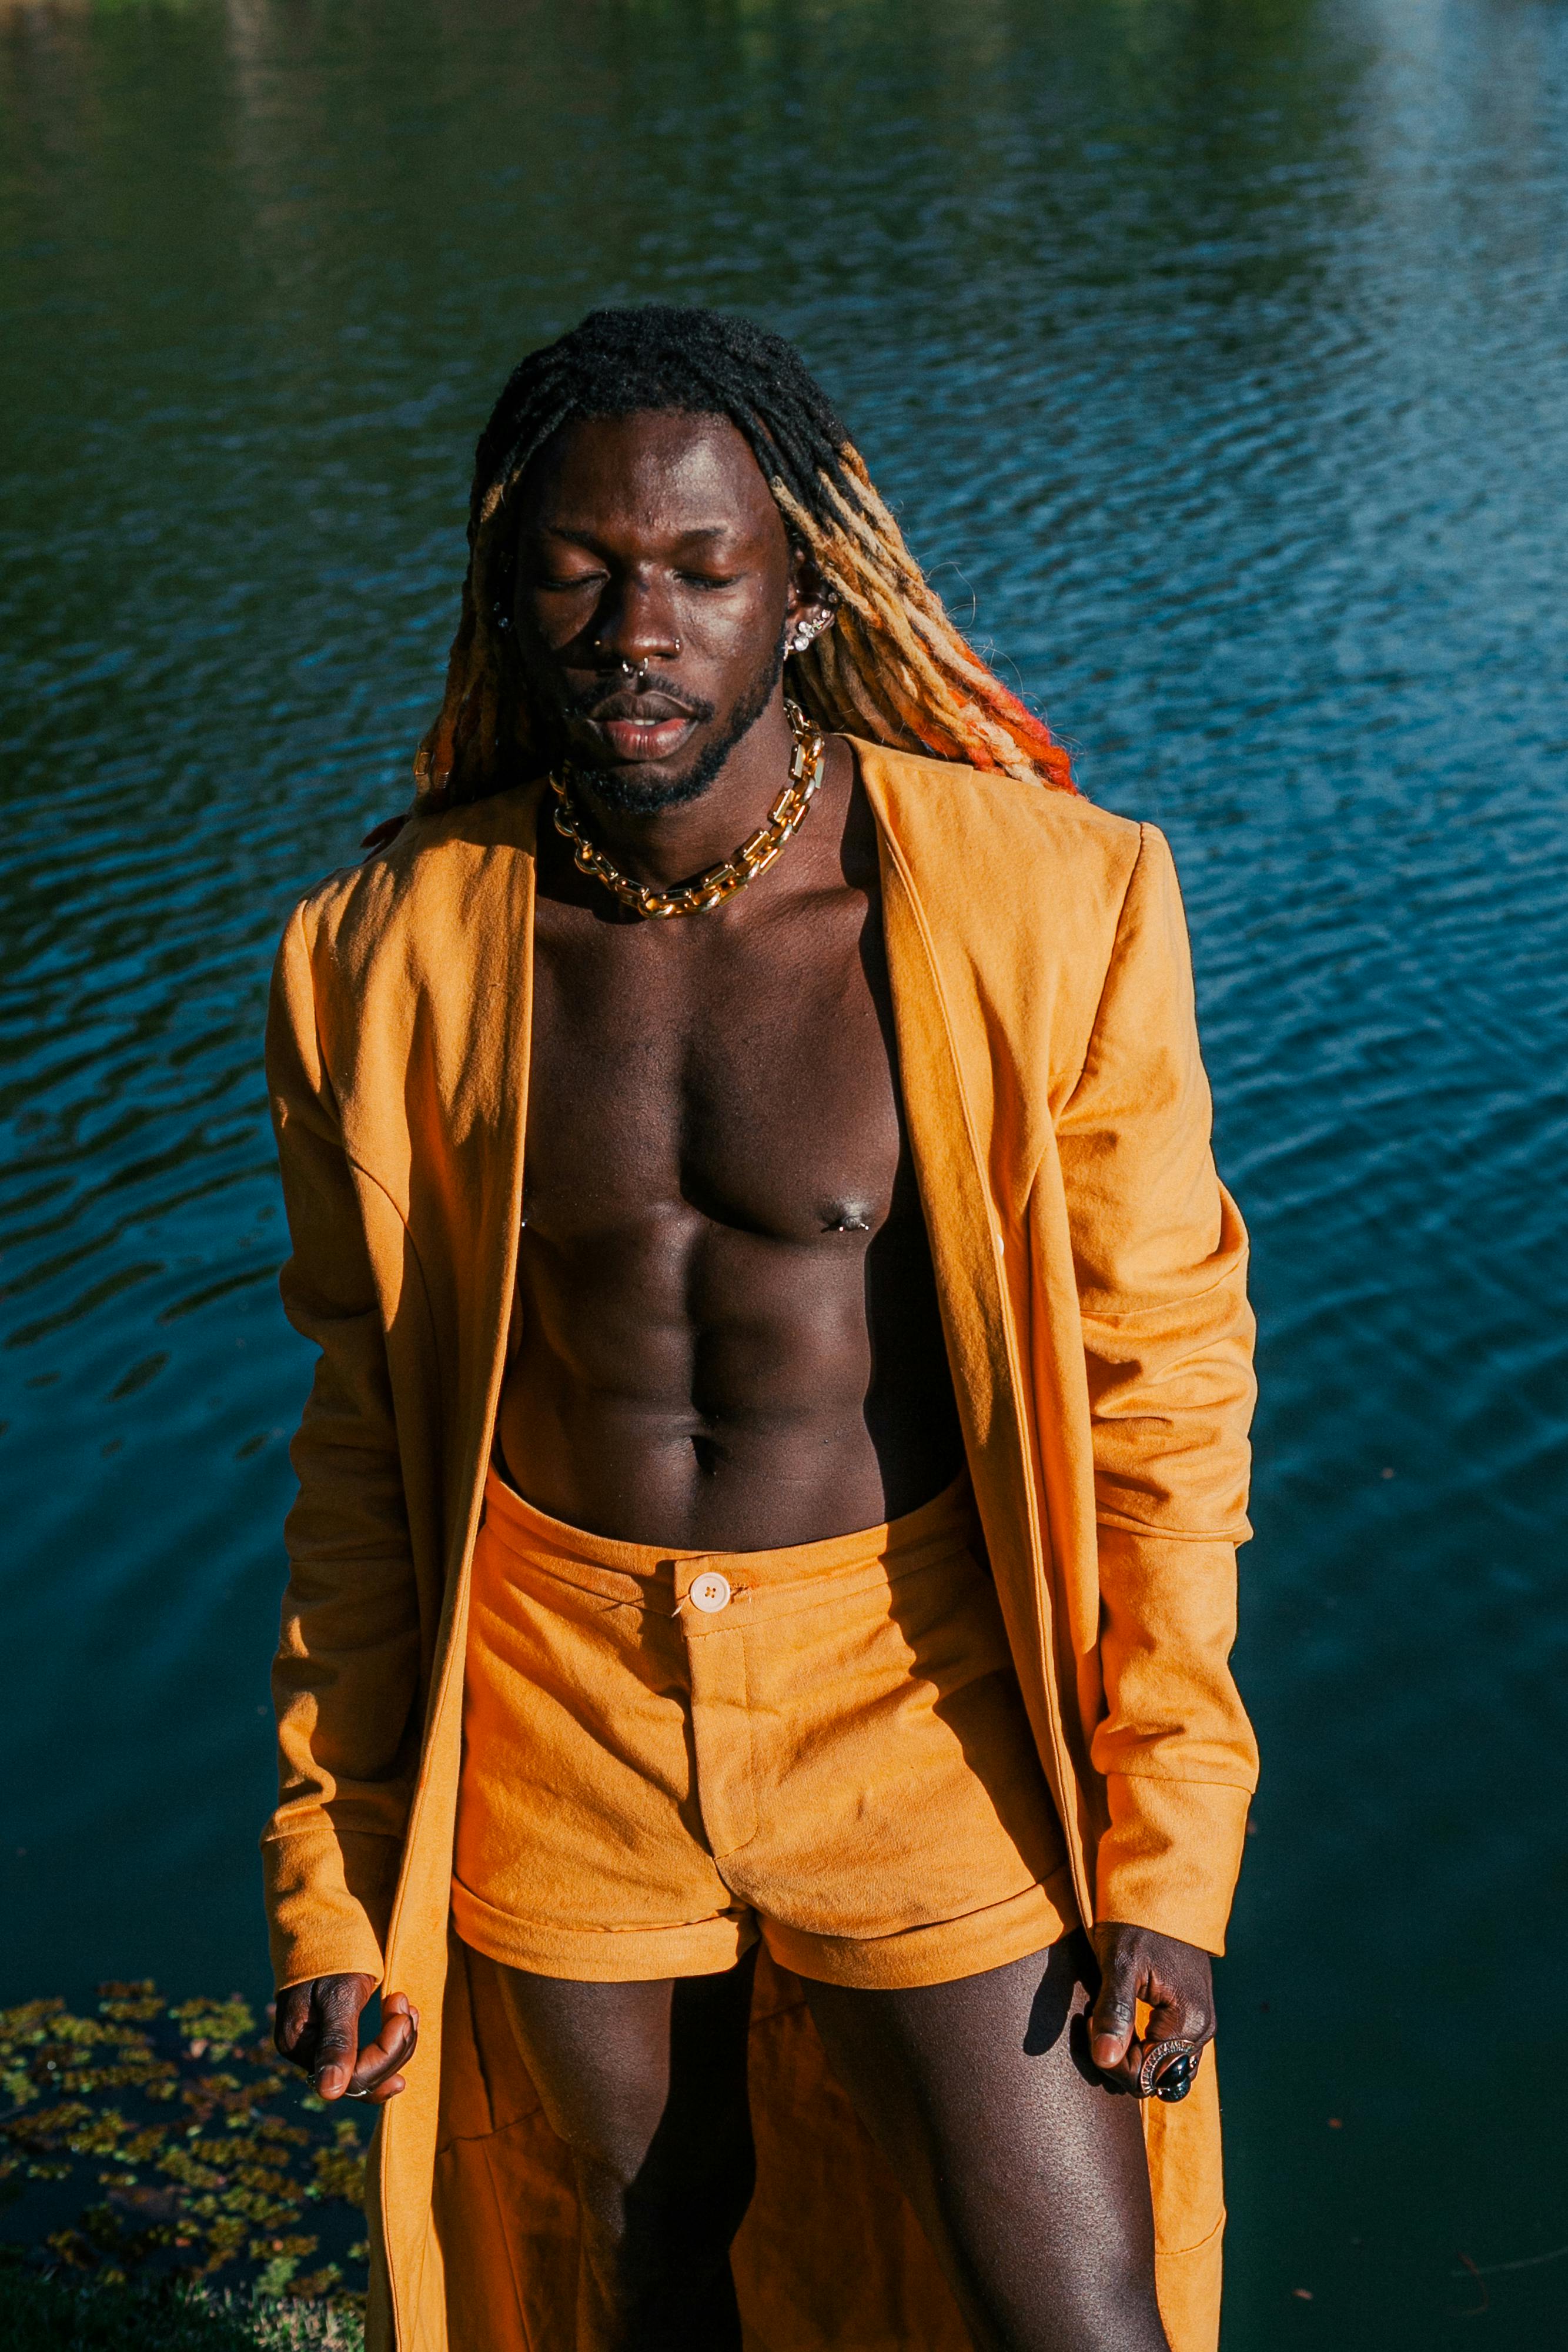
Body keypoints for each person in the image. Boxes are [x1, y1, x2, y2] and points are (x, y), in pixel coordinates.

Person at [263, 306, 1257, 2352]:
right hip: (559, 1700)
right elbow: (365, 1441)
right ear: (504, 586)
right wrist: (334, 1870)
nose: (641, 625)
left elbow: (1161, 1394)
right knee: (637, 2287)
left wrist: (1165, 1851)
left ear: (801, 598)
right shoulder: (380, 954)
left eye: (704, 573)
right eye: (582, 568)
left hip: (915, 1696)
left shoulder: (1049, 904)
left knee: (1085, 2319)